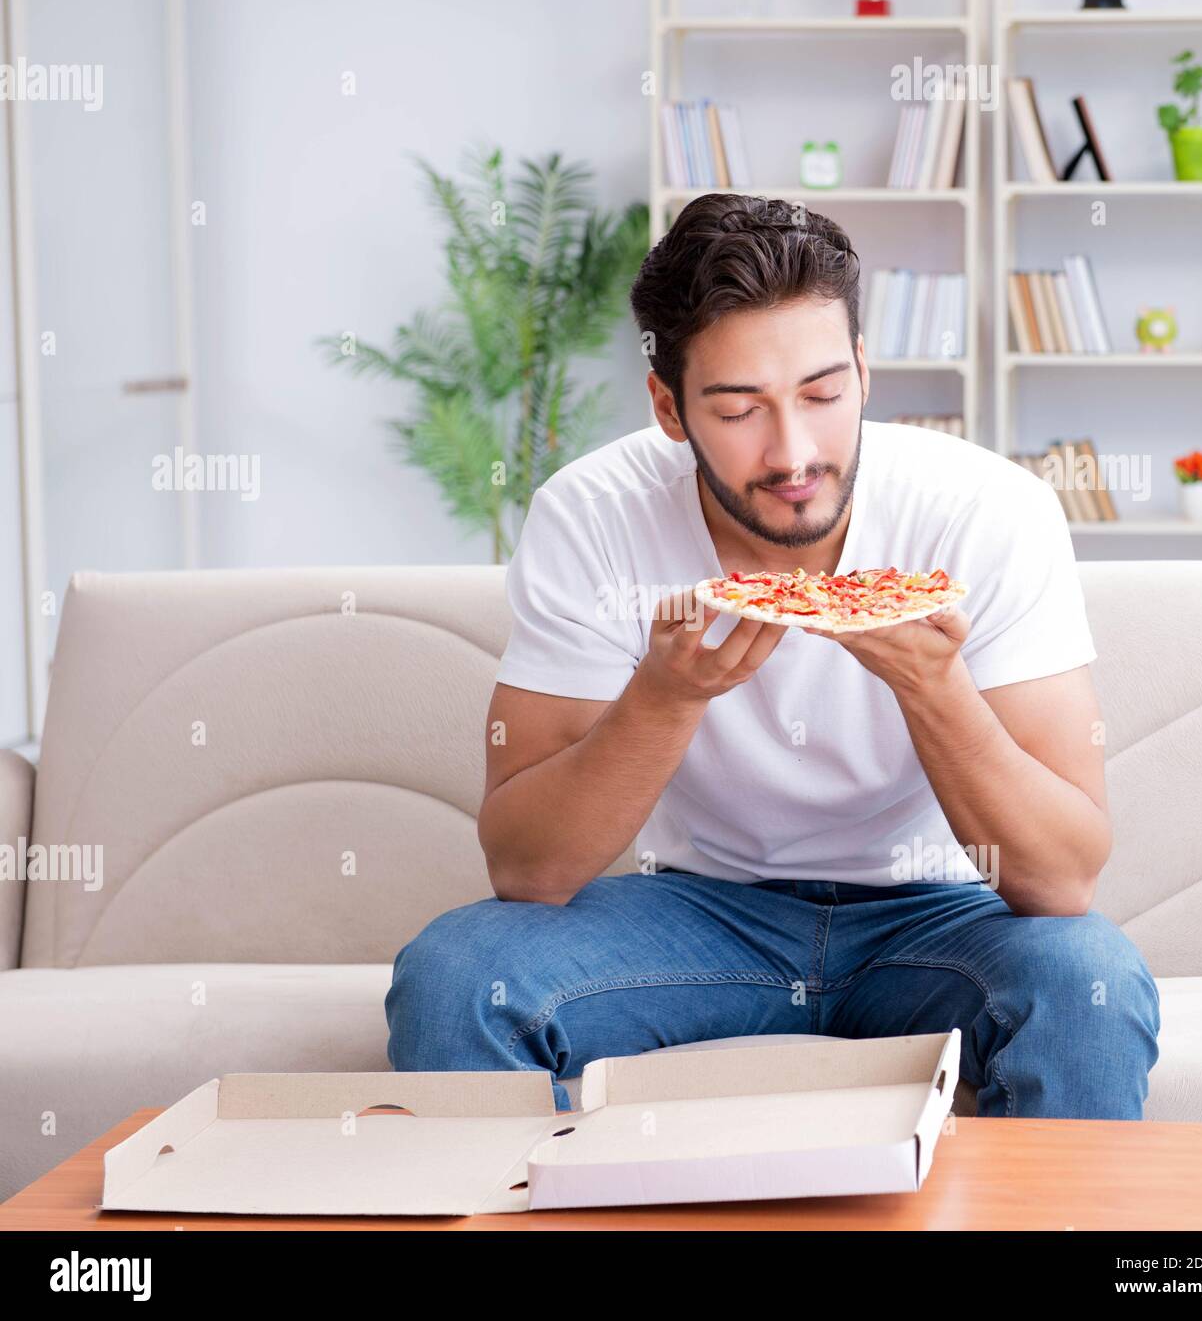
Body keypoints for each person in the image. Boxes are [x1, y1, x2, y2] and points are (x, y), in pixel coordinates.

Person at [385, 193, 1160, 1118]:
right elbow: (526, 872)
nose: (794, 454)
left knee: (1088, 979)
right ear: (669, 409)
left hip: (937, 918)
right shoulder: (592, 515)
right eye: (740, 409)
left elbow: (1063, 879)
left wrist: (934, 687)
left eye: (825, 396)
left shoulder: (987, 512)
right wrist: (664, 700)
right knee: (456, 974)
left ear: (865, 374)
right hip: (700, 914)